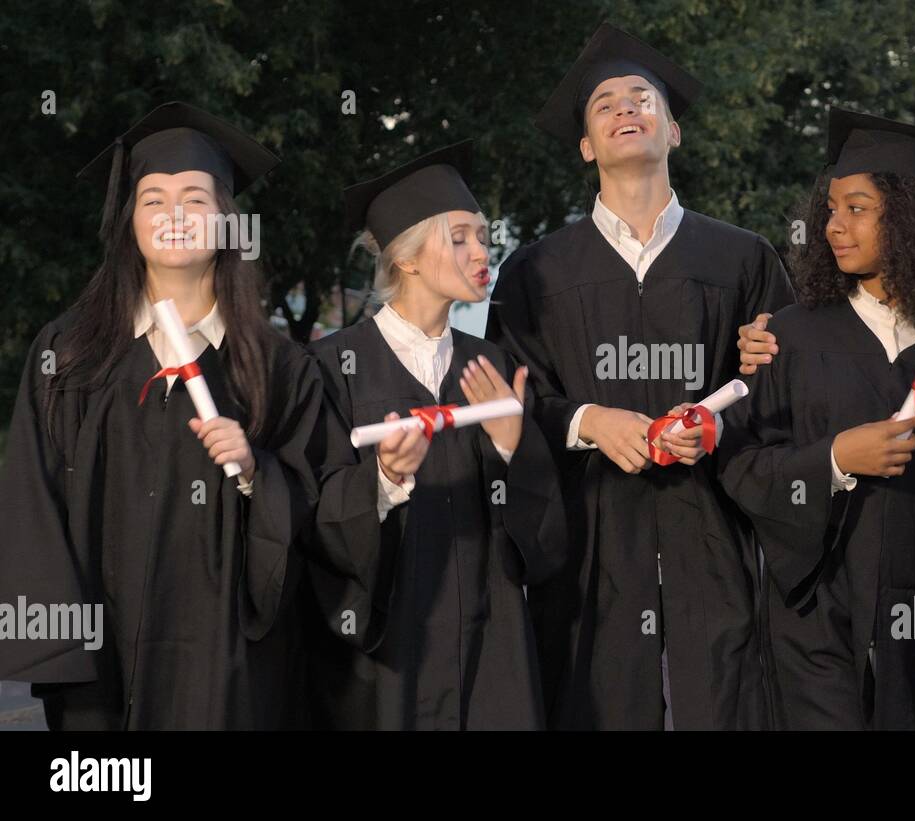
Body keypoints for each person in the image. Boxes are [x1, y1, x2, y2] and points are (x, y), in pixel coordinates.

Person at [486, 23, 794, 729]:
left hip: (710, 536)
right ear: (588, 145)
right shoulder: (534, 271)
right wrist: (589, 420)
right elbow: (507, 406)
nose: (627, 109)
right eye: (606, 104)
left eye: (642, 98)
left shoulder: (743, 259)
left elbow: (784, 392)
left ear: (674, 130)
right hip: (590, 542)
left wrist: (719, 420)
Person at [0, 102, 321, 729]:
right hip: (100, 659)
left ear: (229, 224)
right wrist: (64, 646)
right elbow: (31, 501)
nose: (174, 216)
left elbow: (323, 511)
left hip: (227, 668)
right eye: (152, 200)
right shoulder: (68, 355)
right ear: (129, 223)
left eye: (196, 200)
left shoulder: (279, 367)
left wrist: (259, 473)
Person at [719, 108, 915, 729]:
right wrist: (835, 459)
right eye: (831, 210)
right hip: (818, 616)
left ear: (913, 220)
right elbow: (740, 464)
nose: (833, 227)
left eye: (857, 209)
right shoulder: (790, 335)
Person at [303, 141, 568, 729]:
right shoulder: (331, 366)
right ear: (408, 259)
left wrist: (509, 444)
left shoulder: (490, 363)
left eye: (483, 236)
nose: (482, 252)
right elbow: (309, 514)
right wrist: (384, 479)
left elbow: (543, 536)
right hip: (385, 645)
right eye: (460, 238)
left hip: (489, 638)